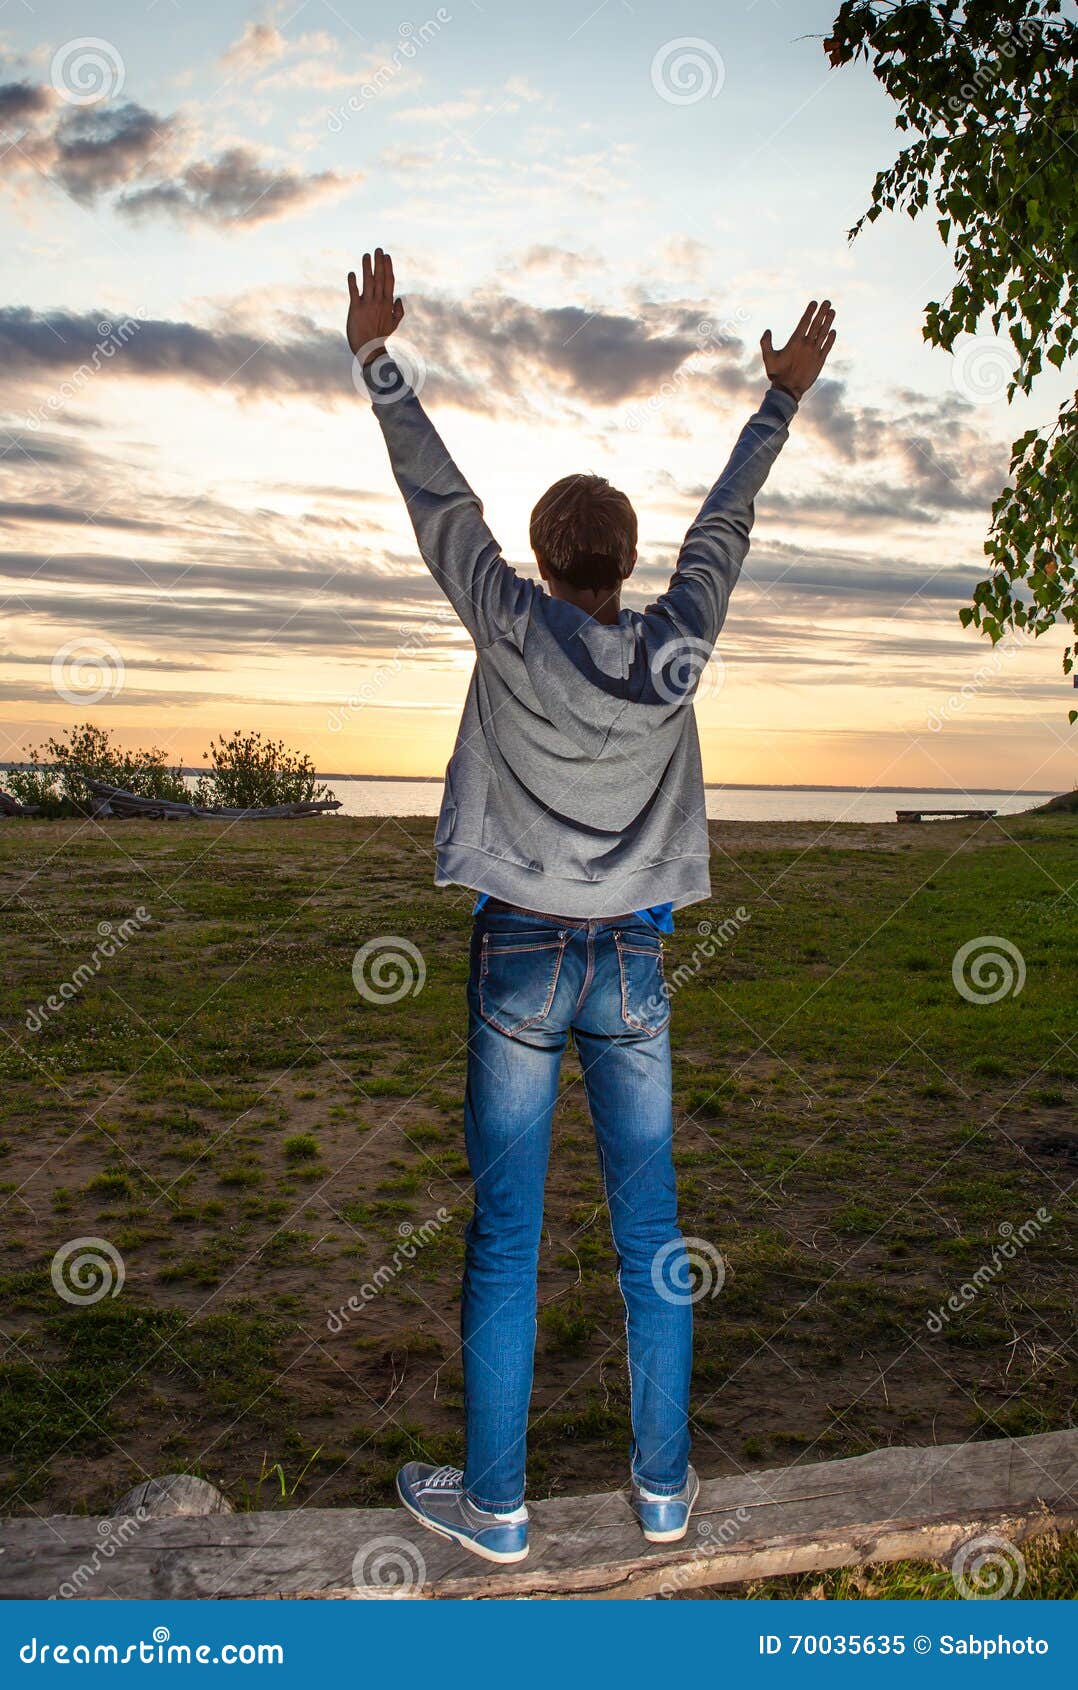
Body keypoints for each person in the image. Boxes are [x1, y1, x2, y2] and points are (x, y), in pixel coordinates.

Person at [347, 251, 836, 1565]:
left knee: (506, 1236)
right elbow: (725, 528)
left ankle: (496, 1507)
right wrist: (779, 399)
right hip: (631, 964)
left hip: (517, 950)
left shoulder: (507, 625)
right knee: (650, 1234)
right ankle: (663, 1495)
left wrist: (377, 358)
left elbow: (436, 499)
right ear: (625, 566)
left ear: (540, 559)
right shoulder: (674, 651)